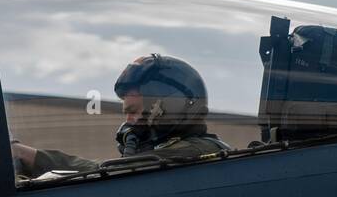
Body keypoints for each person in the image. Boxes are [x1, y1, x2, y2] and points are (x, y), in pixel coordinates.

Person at [12, 54, 230, 176]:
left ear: (168, 107)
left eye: (133, 111)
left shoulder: (199, 153)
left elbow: (109, 172)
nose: (128, 122)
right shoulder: (167, 156)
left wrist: (27, 156)